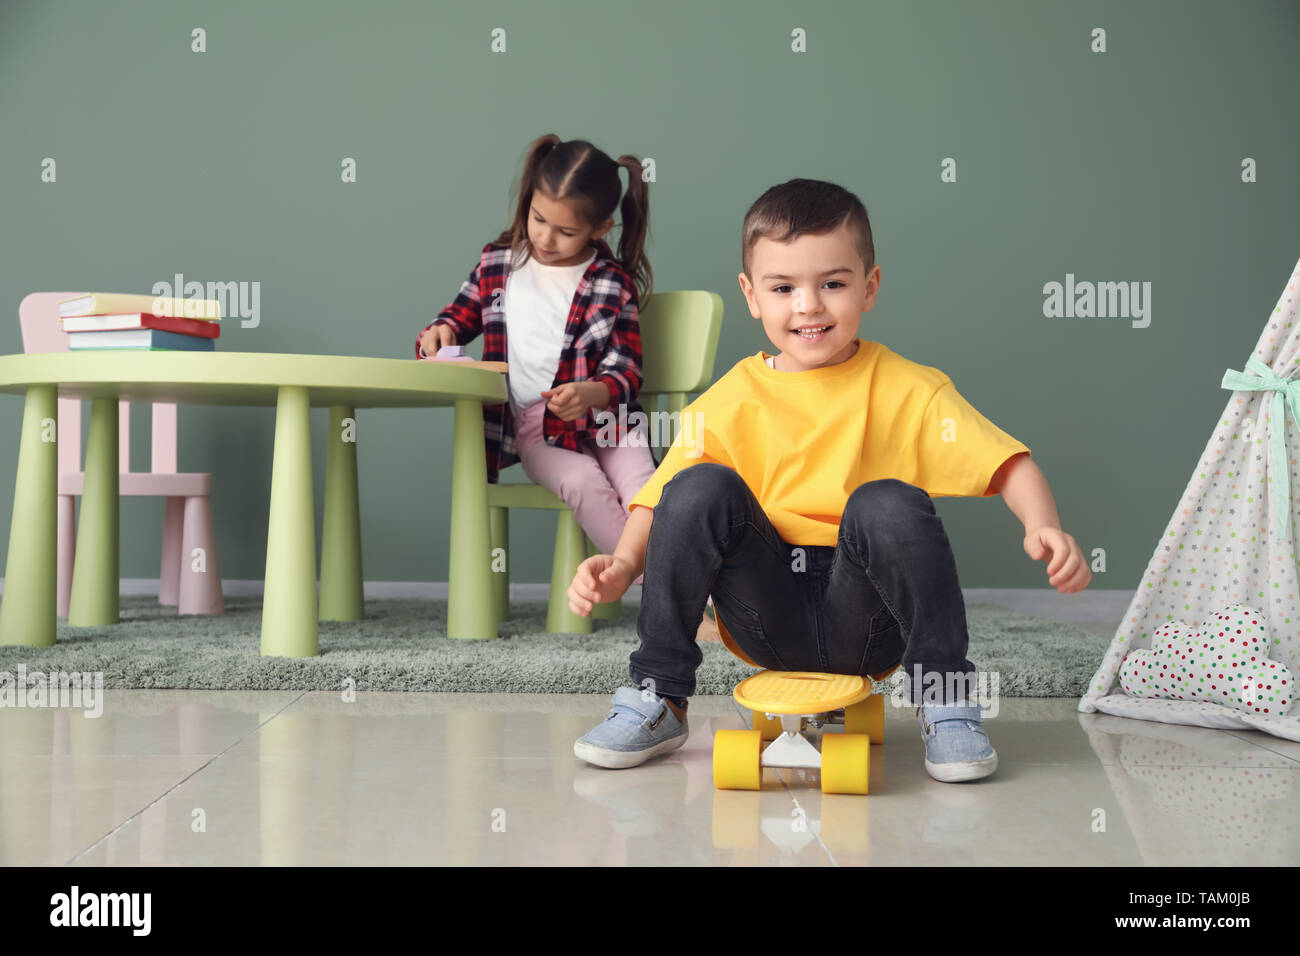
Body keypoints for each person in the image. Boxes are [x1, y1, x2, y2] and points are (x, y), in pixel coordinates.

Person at [567, 179, 1091, 782]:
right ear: (751, 295)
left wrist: (1043, 525)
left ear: (869, 287)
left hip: (865, 617)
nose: (808, 306)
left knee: (886, 500)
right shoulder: (732, 397)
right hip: (765, 612)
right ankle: (658, 694)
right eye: (783, 288)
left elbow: (1008, 462)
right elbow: (661, 498)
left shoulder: (910, 388)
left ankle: (945, 701)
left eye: (833, 284)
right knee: (698, 485)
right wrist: (625, 562)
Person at [416, 134, 661, 584]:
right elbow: (456, 317)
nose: (546, 238)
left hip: (610, 423)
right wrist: (441, 332)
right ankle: (669, 594)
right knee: (584, 483)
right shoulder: (498, 265)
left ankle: (692, 596)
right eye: (537, 218)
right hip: (538, 429)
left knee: (648, 496)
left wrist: (592, 392)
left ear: (600, 228)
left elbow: (626, 370)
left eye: (566, 231)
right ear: (528, 201)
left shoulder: (610, 282)